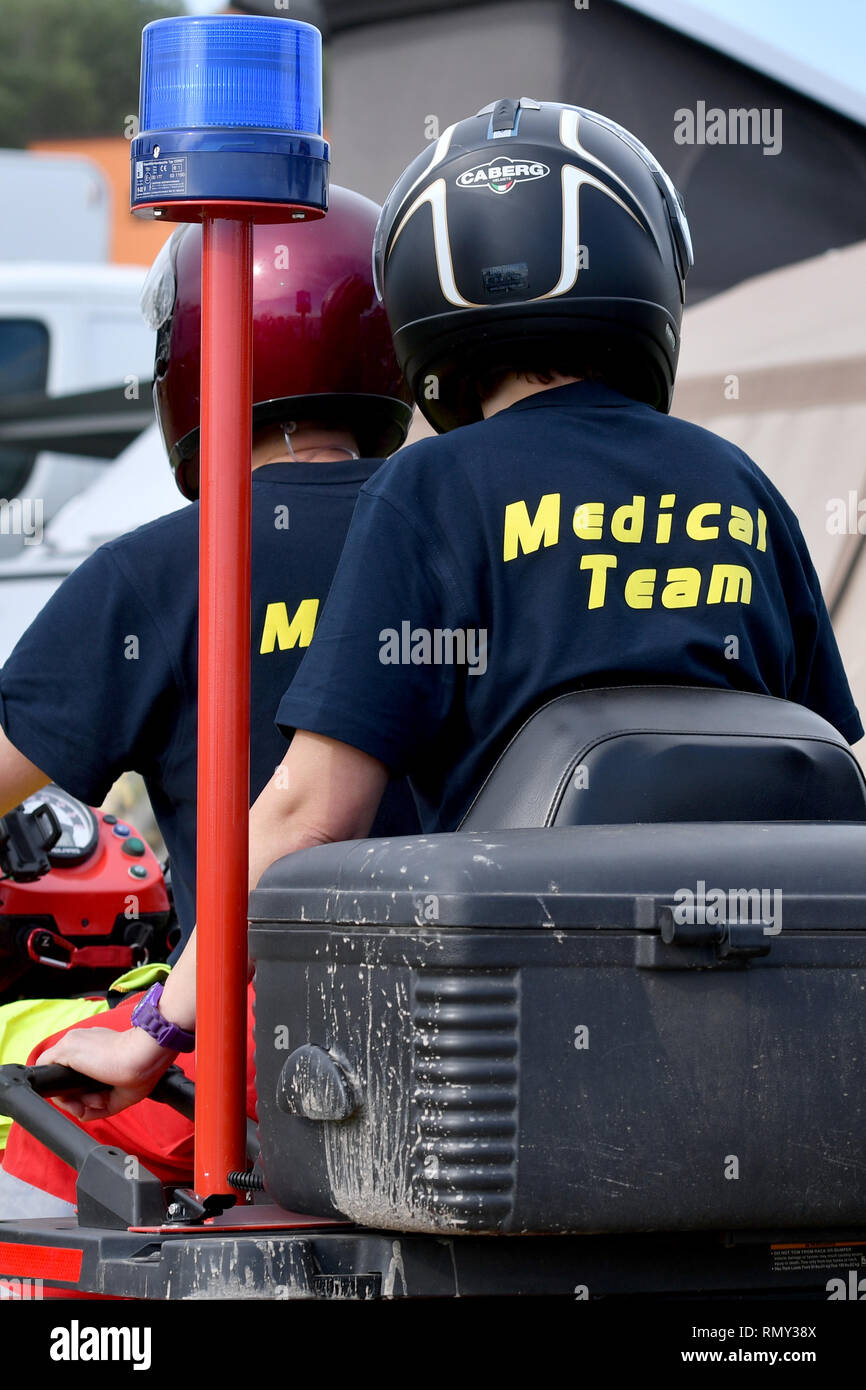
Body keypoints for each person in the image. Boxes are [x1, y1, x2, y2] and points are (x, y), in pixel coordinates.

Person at [15, 99, 863, 1137]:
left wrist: (154, 1022)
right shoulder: (741, 487)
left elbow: (307, 811)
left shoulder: (433, 490)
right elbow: (821, 780)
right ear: (645, 270)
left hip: (499, 1072)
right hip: (747, 1072)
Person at [0, 185, 418, 1205]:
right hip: (491, 1035)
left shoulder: (158, 568)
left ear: (186, 356)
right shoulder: (460, 527)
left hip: (259, 1054)